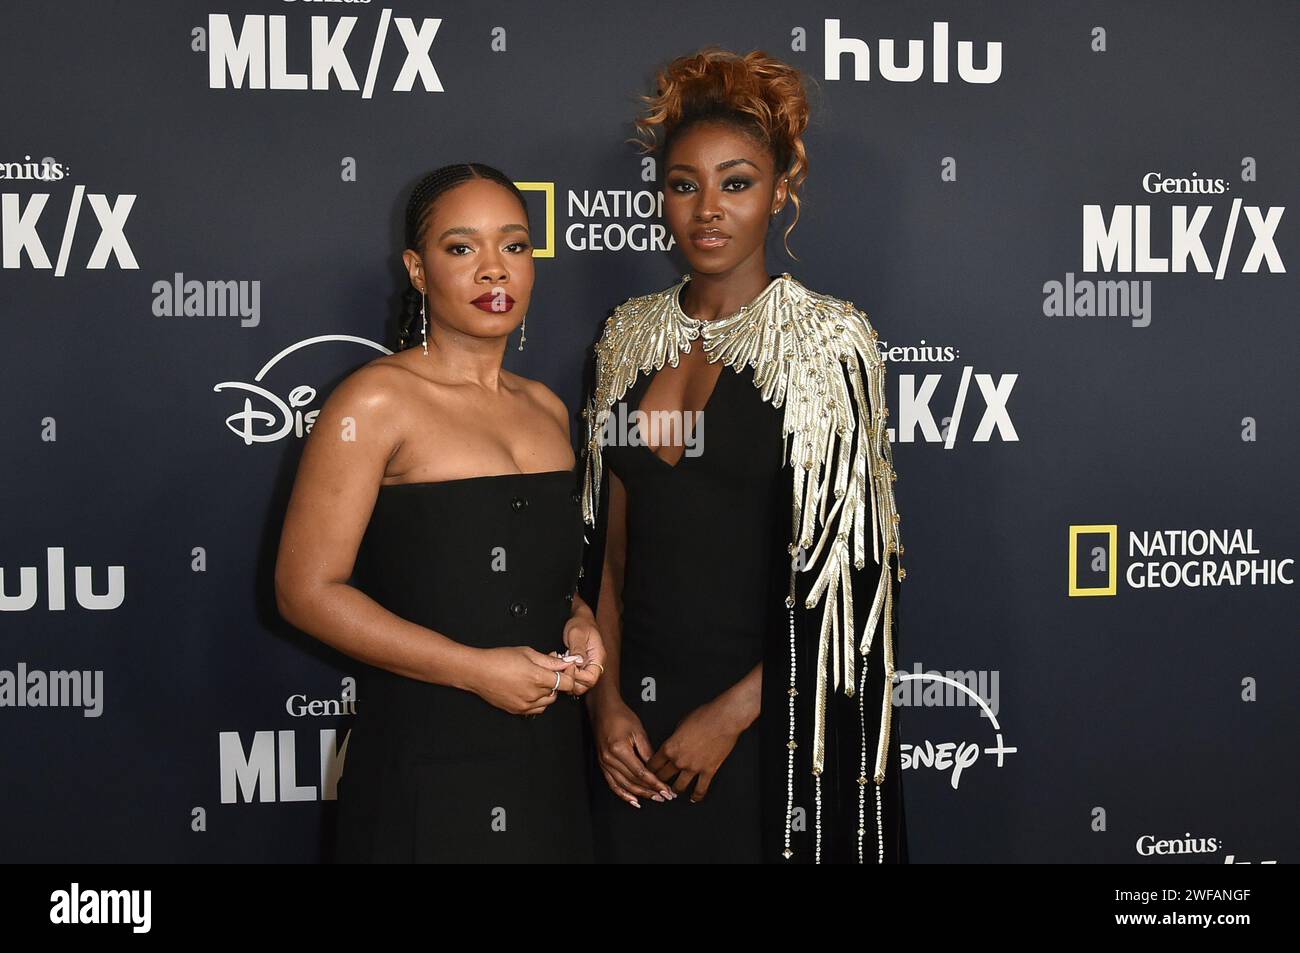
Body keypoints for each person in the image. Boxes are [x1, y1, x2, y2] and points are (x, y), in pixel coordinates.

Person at [578, 48, 909, 863]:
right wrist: (605, 706)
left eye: (737, 182)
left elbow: (856, 585)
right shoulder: (626, 336)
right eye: (685, 185)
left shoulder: (829, 342)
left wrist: (729, 717)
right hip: (636, 733)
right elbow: (610, 559)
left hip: (775, 725)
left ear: (780, 191)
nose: (708, 210)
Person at [275, 163, 603, 863]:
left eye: (514, 246)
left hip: (547, 762)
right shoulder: (373, 402)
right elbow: (307, 592)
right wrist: (474, 669)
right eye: (462, 248)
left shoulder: (546, 408)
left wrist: (580, 620)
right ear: (417, 270)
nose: (494, 270)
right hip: (423, 761)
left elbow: (539, 578)